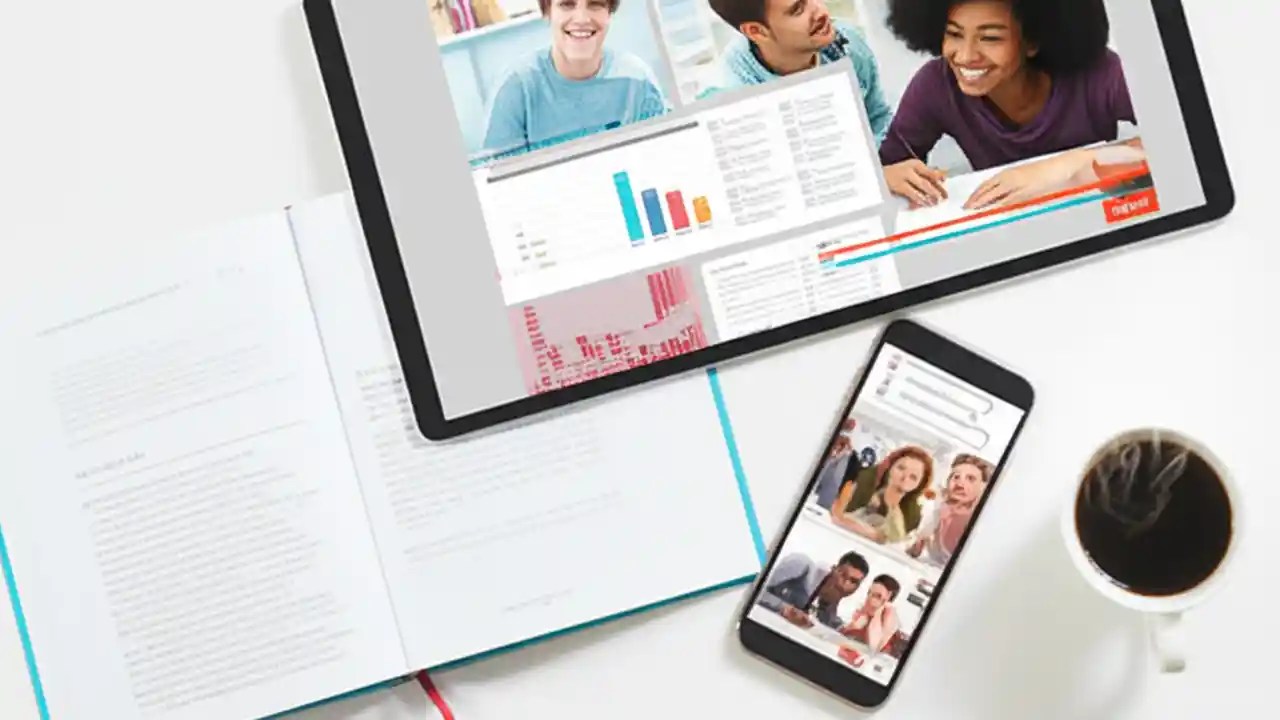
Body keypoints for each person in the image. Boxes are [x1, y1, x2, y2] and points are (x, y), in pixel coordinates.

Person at [878, 0, 1140, 210]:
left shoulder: (1101, 73)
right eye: (954, 34)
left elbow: (1176, 134)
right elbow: (885, 167)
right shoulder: (936, 85)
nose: (966, 56)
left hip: (1104, 217)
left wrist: (1067, 166)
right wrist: (887, 176)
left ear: (1033, 40)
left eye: (990, 38)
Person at [481, 0, 668, 159]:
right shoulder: (516, 88)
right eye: (567, 4)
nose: (581, 19)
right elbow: (502, 189)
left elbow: (659, 164)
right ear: (548, 12)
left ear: (609, 12)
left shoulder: (637, 81)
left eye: (595, 4)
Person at [707, 0, 893, 144]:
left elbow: (877, 118)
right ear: (757, 31)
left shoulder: (848, 44)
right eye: (798, 9)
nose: (821, 11)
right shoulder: (733, 101)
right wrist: (878, 175)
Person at [830, 445, 933, 543]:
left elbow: (893, 541)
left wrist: (893, 508)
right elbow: (837, 514)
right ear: (890, 466)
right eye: (901, 468)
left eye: (913, 477)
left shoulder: (913, 513)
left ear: (920, 485)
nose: (904, 478)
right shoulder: (865, 481)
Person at [909, 454, 992, 567]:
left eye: (970, 479)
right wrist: (915, 547)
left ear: (982, 487)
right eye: (956, 477)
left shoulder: (983, 522)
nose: (960, 484)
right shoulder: (935, 512)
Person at [756, 551, 869, 630]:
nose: (845, 584)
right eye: (843, 574)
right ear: (834, 569)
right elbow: (754, 590)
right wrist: (782, 607)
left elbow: (829, 626)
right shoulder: (800, 565)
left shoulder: (827, 602)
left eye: (854, 582)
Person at [841, 574, 900, 652]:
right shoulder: (861, 617)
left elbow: (873, 648)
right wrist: (853, 626)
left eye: (878, 596)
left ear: (887, 601)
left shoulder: (888, 629)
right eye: (869, 593)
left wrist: (877, 614)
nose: (870, 599)